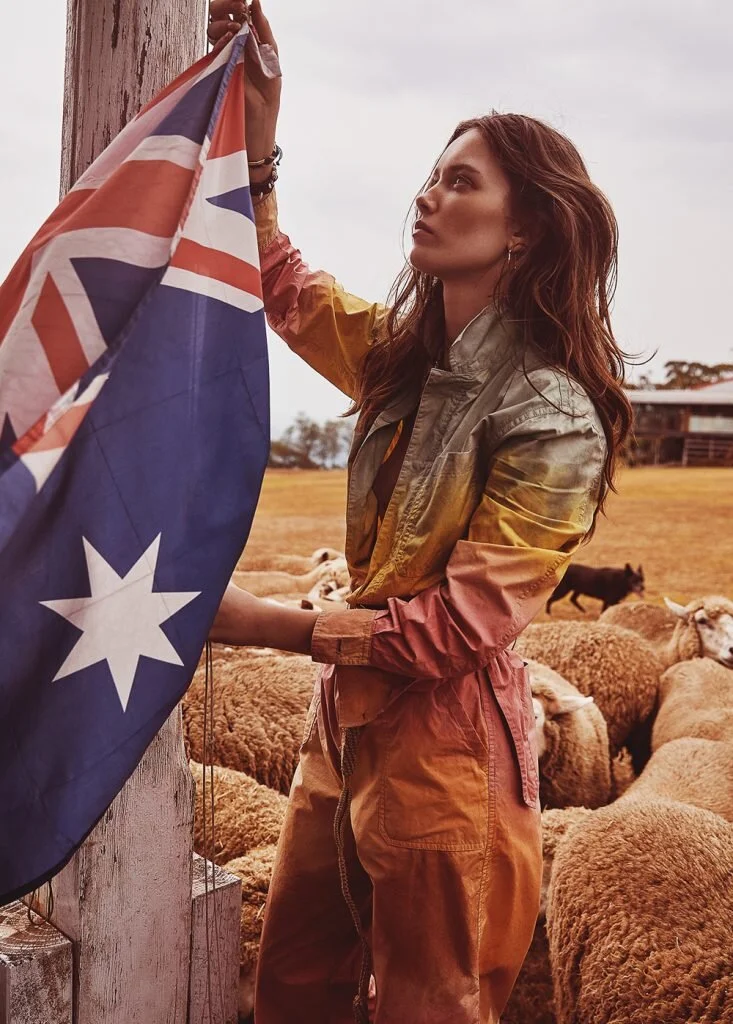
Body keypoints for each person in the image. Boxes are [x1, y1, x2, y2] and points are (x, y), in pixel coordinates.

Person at [207, 3, 632, 1022]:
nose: (427, 195)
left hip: (448, 761)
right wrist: (260, 134)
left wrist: (268, 625)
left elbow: (461, 627)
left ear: (524, 225)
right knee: (293, 992)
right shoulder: (402, 360)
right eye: (432, 174)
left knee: (429, 1008)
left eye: (460, 181)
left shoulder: (552, 413)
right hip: (342, 731)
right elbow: (282, 284)